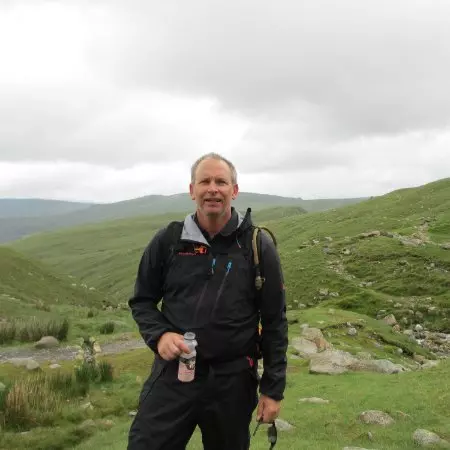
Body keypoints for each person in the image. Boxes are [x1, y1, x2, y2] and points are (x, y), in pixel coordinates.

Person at [127, 153, 288, 450]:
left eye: (221, 182)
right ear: (192, 190)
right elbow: (142, 300)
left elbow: (275, 321)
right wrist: (160, 335)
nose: (213, 188)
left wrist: (272, 390)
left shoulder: (256, 245)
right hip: (173, 375)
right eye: (205, 181)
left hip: (233, 382)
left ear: (234, 191)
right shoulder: (168, 241)